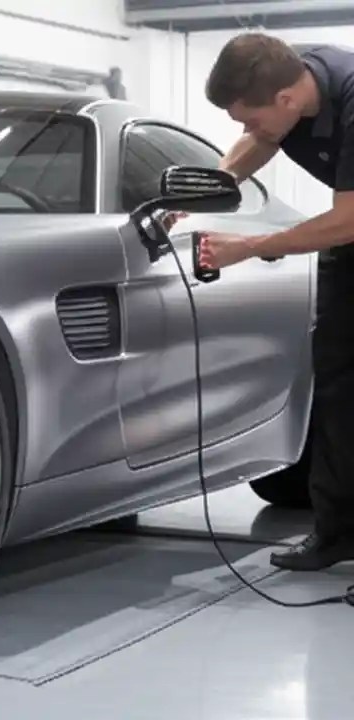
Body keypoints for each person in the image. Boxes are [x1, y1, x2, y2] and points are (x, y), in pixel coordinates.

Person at [199, 34, 354, 571]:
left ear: (287, 101)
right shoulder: (286, 81)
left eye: (249, 119)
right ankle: (335, 535)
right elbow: (262, 142)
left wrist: (250, 247)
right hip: (349, 245)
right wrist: (209, 188)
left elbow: (350, 217)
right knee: (338, 390)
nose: (246, 131)